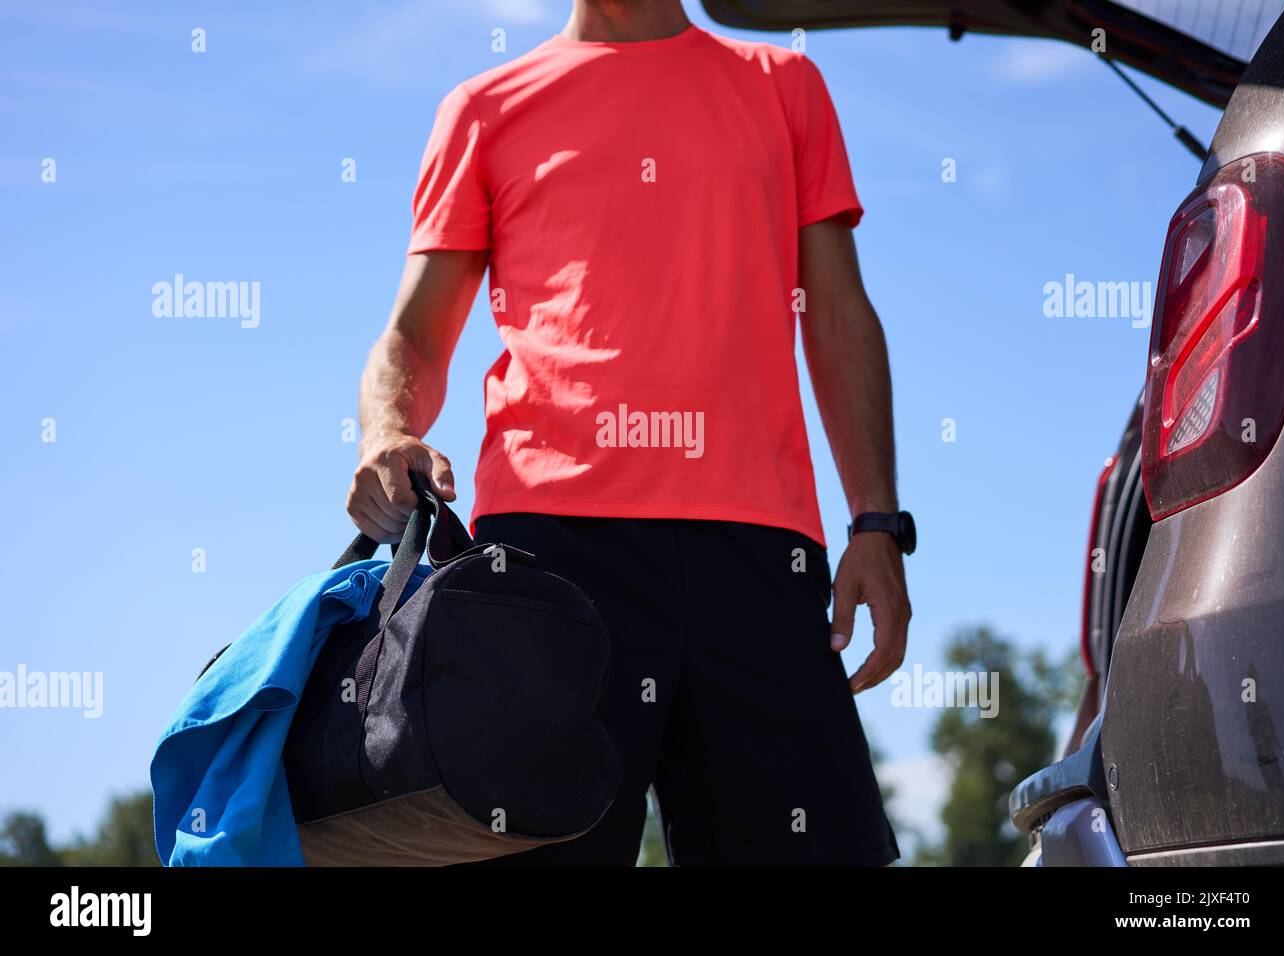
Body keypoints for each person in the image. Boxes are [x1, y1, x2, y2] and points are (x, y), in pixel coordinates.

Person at [347, 0, 910, 865]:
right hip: (548, 554)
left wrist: (875, 521)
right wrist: (386, 431)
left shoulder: (784, 86)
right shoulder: (484, 107)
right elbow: (415, 334)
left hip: (760, 552)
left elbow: (836, 312)